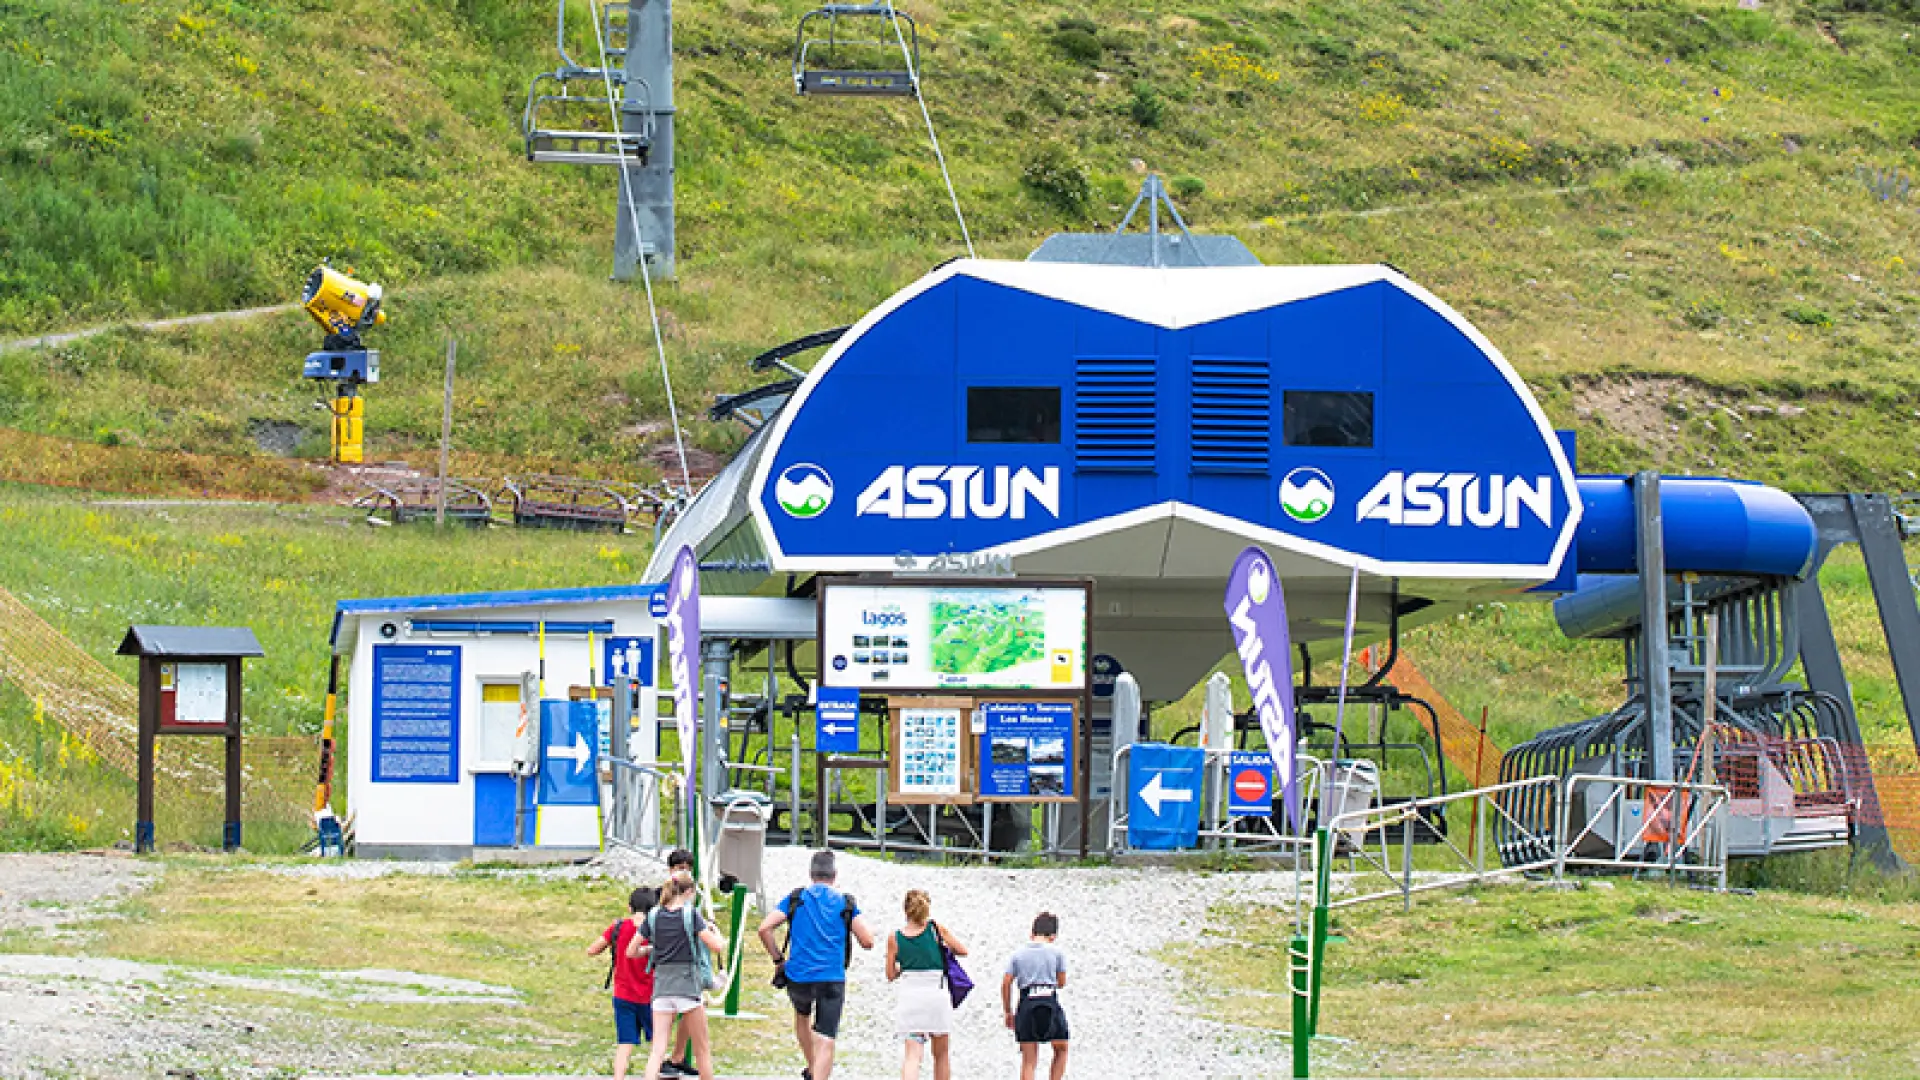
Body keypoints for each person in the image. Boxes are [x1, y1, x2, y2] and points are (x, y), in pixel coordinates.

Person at [757, 850, 876, 1080]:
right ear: (835, 875)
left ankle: (812, 1068)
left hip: (798, 975)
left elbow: (764, 928)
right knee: (826, 1036)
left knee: (802, 1016)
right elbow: (868, 941)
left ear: (811, 874)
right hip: (831, 977)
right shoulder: (845, 902)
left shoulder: (797, 897)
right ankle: (818, 1074)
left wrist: (778, 959)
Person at [628, 871, 726, 1080]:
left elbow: (631, 951)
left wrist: (651, 949)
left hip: (661, 987)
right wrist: (717, 934)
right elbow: (716, 946)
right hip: (687, 988)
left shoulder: (654, 915)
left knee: (657, 1050)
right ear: (689, 892)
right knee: (702, 1051)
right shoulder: (691, 915)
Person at [886, 889, 967, 1080]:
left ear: (905, 910)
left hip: (911, 998)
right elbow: (962, 950)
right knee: (941, 1055)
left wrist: (904, 968)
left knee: (912, 1056)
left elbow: (890, 974)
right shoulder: (935, 929)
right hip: (936, 996)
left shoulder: (895, 937)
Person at [587, 886, 658, 1080]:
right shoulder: (655, 930)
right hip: (651, 995)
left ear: (629, 907)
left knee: (624, 1044)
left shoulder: (618, 927)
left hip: (623, 994)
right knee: (657, 1045)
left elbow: (592, 949)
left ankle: (618, 1077)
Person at [1002, 912, 1069, 1080]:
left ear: (1032, 933)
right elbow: (1061, 982)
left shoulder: (1018, 954)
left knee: (1029, 1060)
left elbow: (1006, 983)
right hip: (1049, 999)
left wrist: (1008, 1011)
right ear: (1053, 936)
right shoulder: (1057, 953)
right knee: (1061, 1048)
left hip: (1026, 1002)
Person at [657, 849, 698, 1077]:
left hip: (686, 963)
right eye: (679, 867)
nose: (684, 871)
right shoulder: (661, 899)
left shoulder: (692, 899)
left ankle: (677, 1056)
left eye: (687, 867)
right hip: (668, 964)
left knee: (689, 1012)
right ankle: (664, 1058)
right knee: (669, 1013)